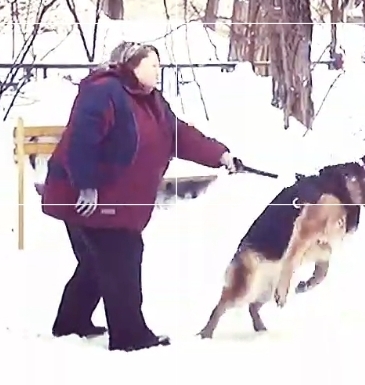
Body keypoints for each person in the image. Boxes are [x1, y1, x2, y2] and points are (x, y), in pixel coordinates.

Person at [42, 43, 239, 352]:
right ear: (131, 66)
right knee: (123, 257)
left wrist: (220, 155)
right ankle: (129, 335)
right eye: (152, 65)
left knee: (97, 262)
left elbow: (179, 135)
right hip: (92, 197)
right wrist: (86, 185)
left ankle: (71, 322)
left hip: (115, 199)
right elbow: (82, 139)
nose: (158, 71)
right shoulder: (104, 92)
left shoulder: (151, 101)